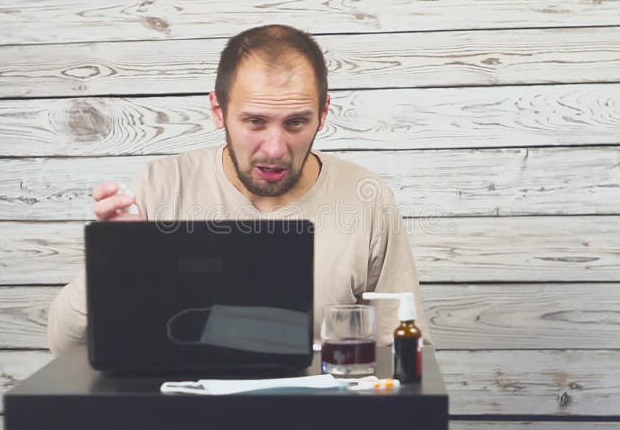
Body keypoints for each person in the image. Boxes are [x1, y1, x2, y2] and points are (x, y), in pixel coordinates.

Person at [47, 24, 429, 356]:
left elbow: (406, 350)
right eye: (255, 122)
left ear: (323, 114)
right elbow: (64, 345)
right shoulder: (161, 186)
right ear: (219, 111)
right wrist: (111, 263)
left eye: (296, 122)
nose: (275, 148)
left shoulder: (365, 196)